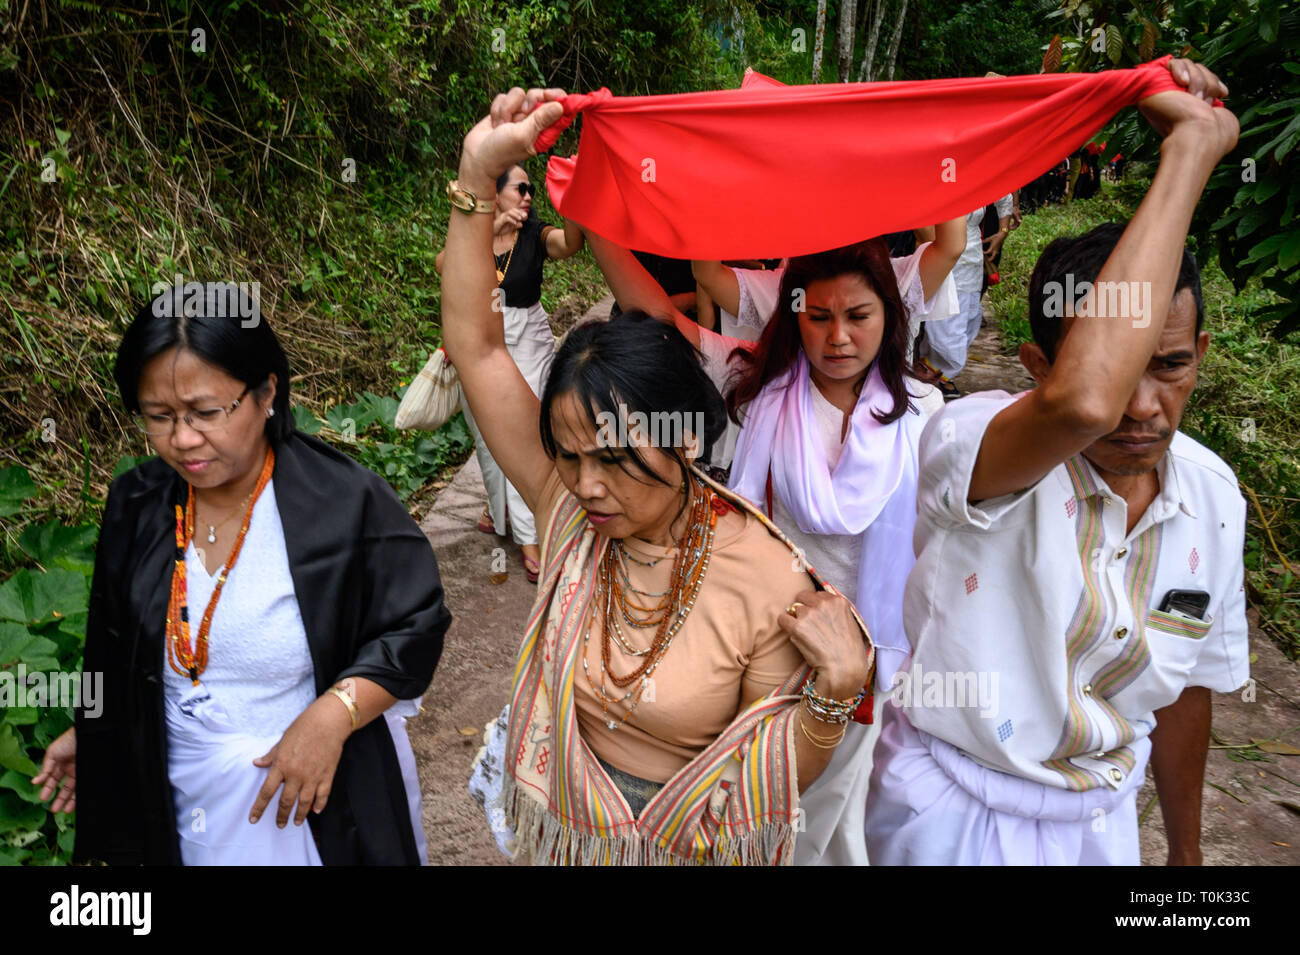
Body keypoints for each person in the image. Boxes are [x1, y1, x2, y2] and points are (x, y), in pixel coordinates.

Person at [443, 86, 874, 866]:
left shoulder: (767, 579)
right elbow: (477, 346)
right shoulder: (566, 508)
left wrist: (835, 693)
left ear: (683, 439)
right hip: (560, 837)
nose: (586, 484)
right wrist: (478, 177)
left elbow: (763, 788)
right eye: (569, 457)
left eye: (612, 456)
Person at [864, 59, 1244, 866]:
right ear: (1039, 368)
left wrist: (1185, 856)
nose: (1142, 406)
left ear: (1203, 355)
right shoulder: (969, 440)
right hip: (951, 811)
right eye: (1120, 367)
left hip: (1099, 819)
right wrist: (1192, 152)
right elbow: (1084, 405)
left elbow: (1186, 691)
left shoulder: (1214, 497)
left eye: (1170, 366)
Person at [32, 284, 449, 865]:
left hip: (311, 793)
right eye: (159, 417)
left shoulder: (344, 503)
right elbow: (110, 643)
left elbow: (417, 622)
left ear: (266, 393)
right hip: (173, 787)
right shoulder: (137, 503)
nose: (182, 439)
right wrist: (98, 732)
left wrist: (335, 714)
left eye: (206, 412)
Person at [585, 234, 948, 866]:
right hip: (769, 648)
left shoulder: (928, 414)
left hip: (873, 656)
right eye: (818, 316)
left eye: (858, 316)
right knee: (777, 806)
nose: (838, 337)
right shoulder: (755, 386)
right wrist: (596, 228)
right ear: (793, 317)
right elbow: (655, 315)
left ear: (890, 317)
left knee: (842, 810)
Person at [435, 163, 584, 583]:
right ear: (495, 193)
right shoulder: (475, 235)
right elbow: (443, 266)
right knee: (487, 435)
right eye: (521, 188)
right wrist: (489, 227)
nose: (528, 195)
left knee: (531, 425)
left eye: (532, 189)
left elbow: (570, 244)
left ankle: (533, 534)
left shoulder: (536, 236)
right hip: (480, 336)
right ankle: (501, 507)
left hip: (529, 336)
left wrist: (570, 195)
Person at [917, 194, 1014, 398]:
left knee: (970, 318)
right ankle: (933, 370)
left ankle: (935, 369)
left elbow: (1004, 196)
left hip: (973, 257)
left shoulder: (979, 173)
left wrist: (1002, 231)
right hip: (940, 254)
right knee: (944, 320)